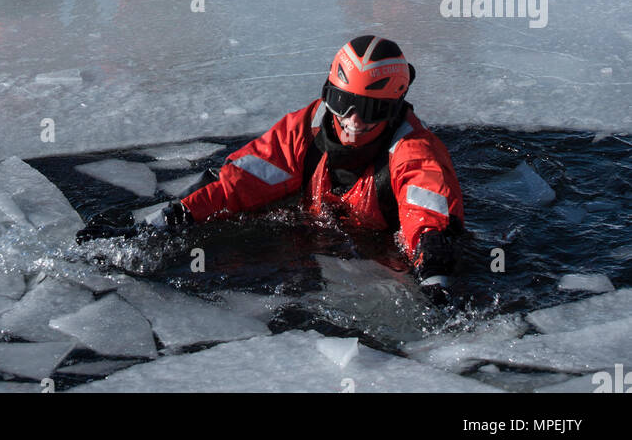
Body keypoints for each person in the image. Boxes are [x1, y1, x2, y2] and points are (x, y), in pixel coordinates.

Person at [81, 34, 465, 299]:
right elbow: (239, 183)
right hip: (312, 242)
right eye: (341, 101)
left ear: (394, 107)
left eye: (370, 109)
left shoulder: (414, 152)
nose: (352, 120)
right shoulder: (306, 129)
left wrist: (433, 270)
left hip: (377, 259)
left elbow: (427, 215)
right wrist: (166, 220)